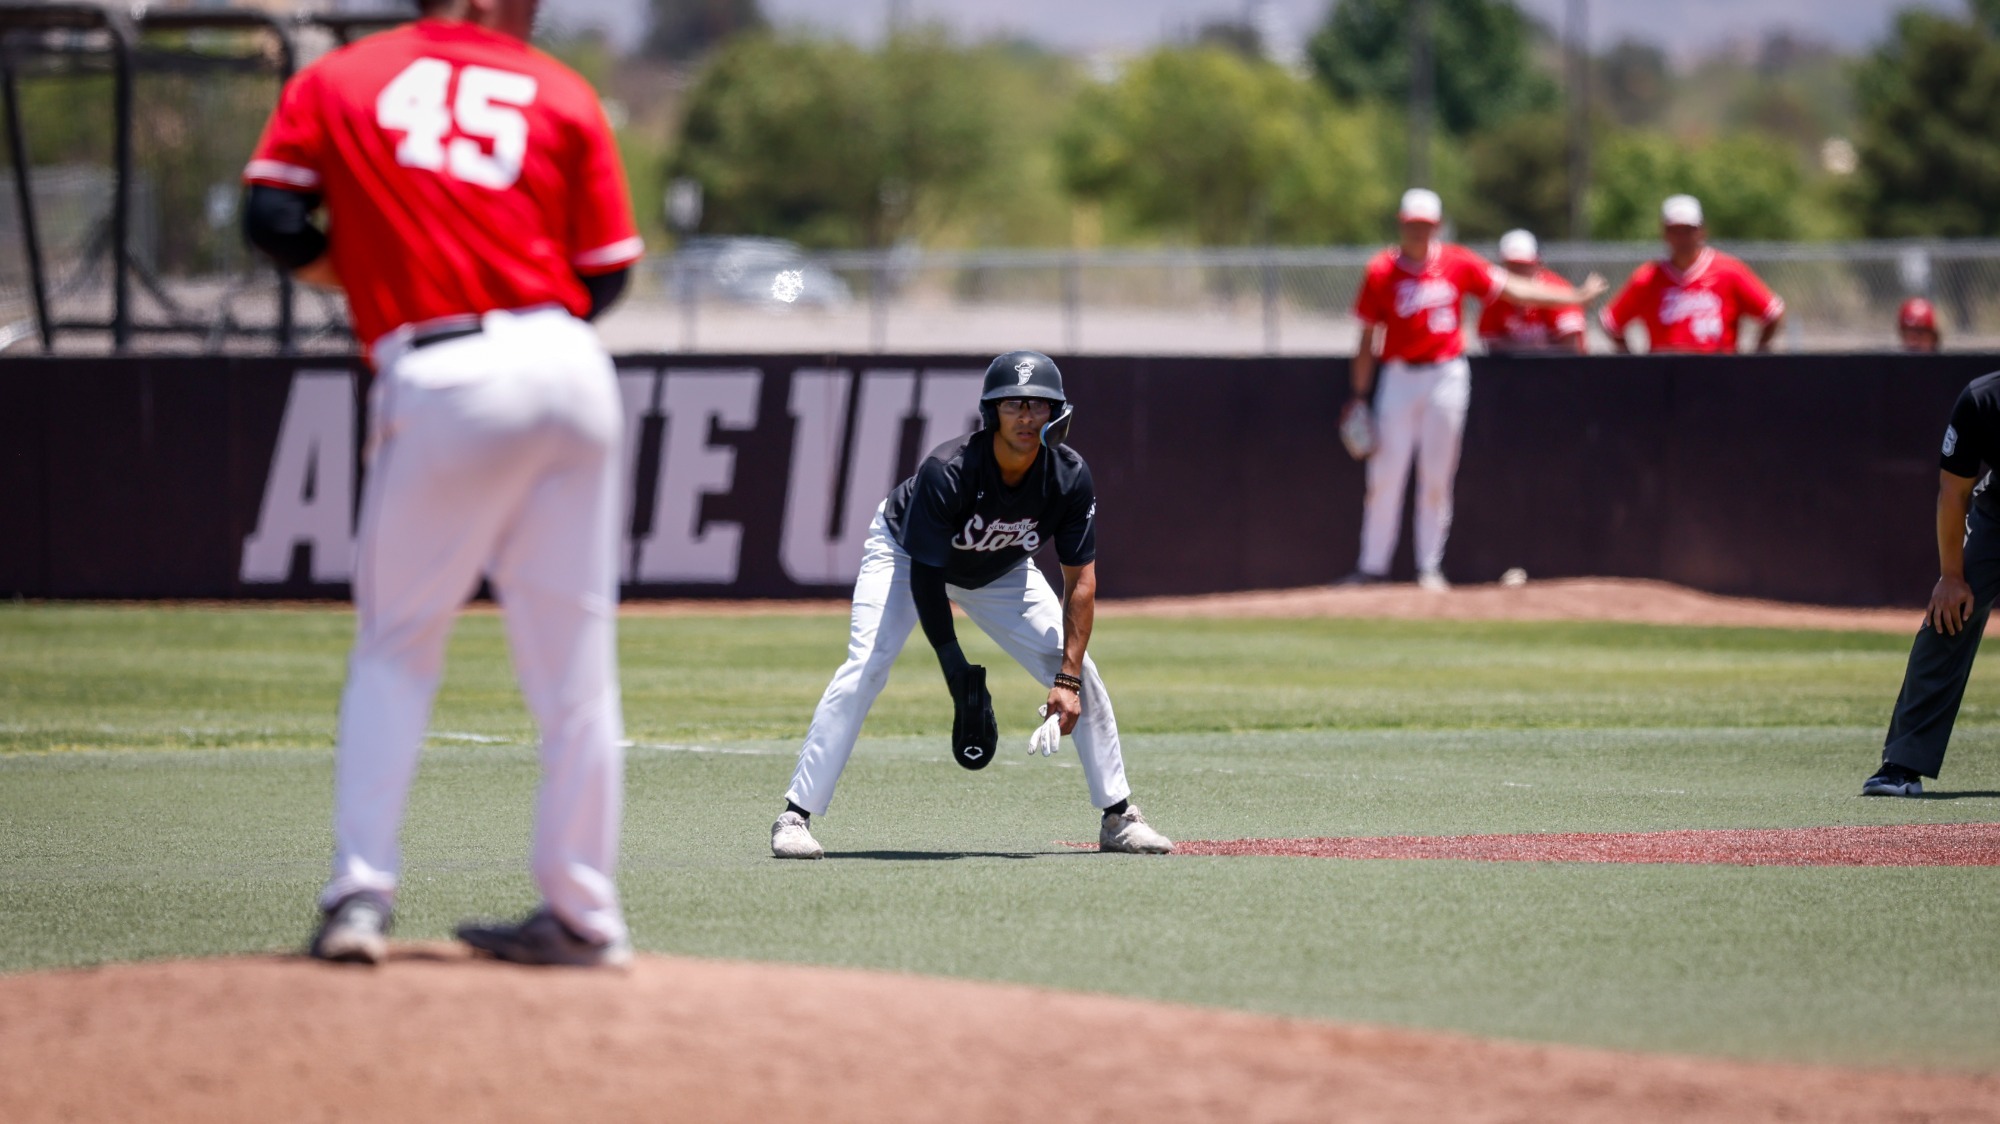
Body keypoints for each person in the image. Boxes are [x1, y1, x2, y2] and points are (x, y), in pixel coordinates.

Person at [243, 0, 644, 967]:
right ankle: (587, 915)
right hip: (571, 367)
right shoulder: (560, 88)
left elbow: (272, 215)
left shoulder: (341, 77)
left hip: (444, 366)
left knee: (396, 644)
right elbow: (606, 277)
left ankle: (359, 894)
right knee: (577, 669)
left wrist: (378, 267)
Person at [770, 351, 1173, 860]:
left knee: (1082, 675)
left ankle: (1118, 817)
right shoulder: (948, 469)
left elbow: (1081, 583)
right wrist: (954, 666)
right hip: (905, 554)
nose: (1027, 416)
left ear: (1058, 415)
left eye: (1039, 405)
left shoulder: (1069, 479)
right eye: (1014, 405)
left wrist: (1065, 680)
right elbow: (926, 575)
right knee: (866, 668)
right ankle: (794, 817)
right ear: (991, 413)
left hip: (1002, 570)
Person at [1341, 189, 1604, 591]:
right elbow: (1366, 338)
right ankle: (1372, 566)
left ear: (1436, 225)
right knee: (1385, 475)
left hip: (1446, 373)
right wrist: (1359, 396)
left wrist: (1572, 296)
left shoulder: (1457, 263)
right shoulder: (1380, 270)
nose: (1418, 231)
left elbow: (1516, 289)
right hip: (1397, 375)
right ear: (1401, 223)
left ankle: (1428, 567)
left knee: (1436, 476)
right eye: (1412, 223)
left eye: (1425, 224)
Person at [1866, 370, 2000, 797]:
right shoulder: (1983, 398)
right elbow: (1953, 491)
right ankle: (1902, 764)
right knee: (1949, 614)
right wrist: (1951, 576)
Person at [1601, 195, 1785, 354]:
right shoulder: (1648, 278)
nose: (1682, 238)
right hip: (1667, 380)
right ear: (1664, 233)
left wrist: (1756, 355)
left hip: (1719, 375)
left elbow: (1771, 312)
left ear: (1702, 231)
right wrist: (1634, 364)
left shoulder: (1729, 271)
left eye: (1689, 230)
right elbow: (1611, 323)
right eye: (1675, 231)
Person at [1477, 230, 1587, 355]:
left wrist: (1528, 353)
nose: (1518, 271)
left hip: (1560, 370)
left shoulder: (1558, 291)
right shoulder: (1497, 296)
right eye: (1512, 265)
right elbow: (1492, 345)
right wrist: (1532, 352)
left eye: (1524, 265)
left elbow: (1572, 347)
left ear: (1538, 264)